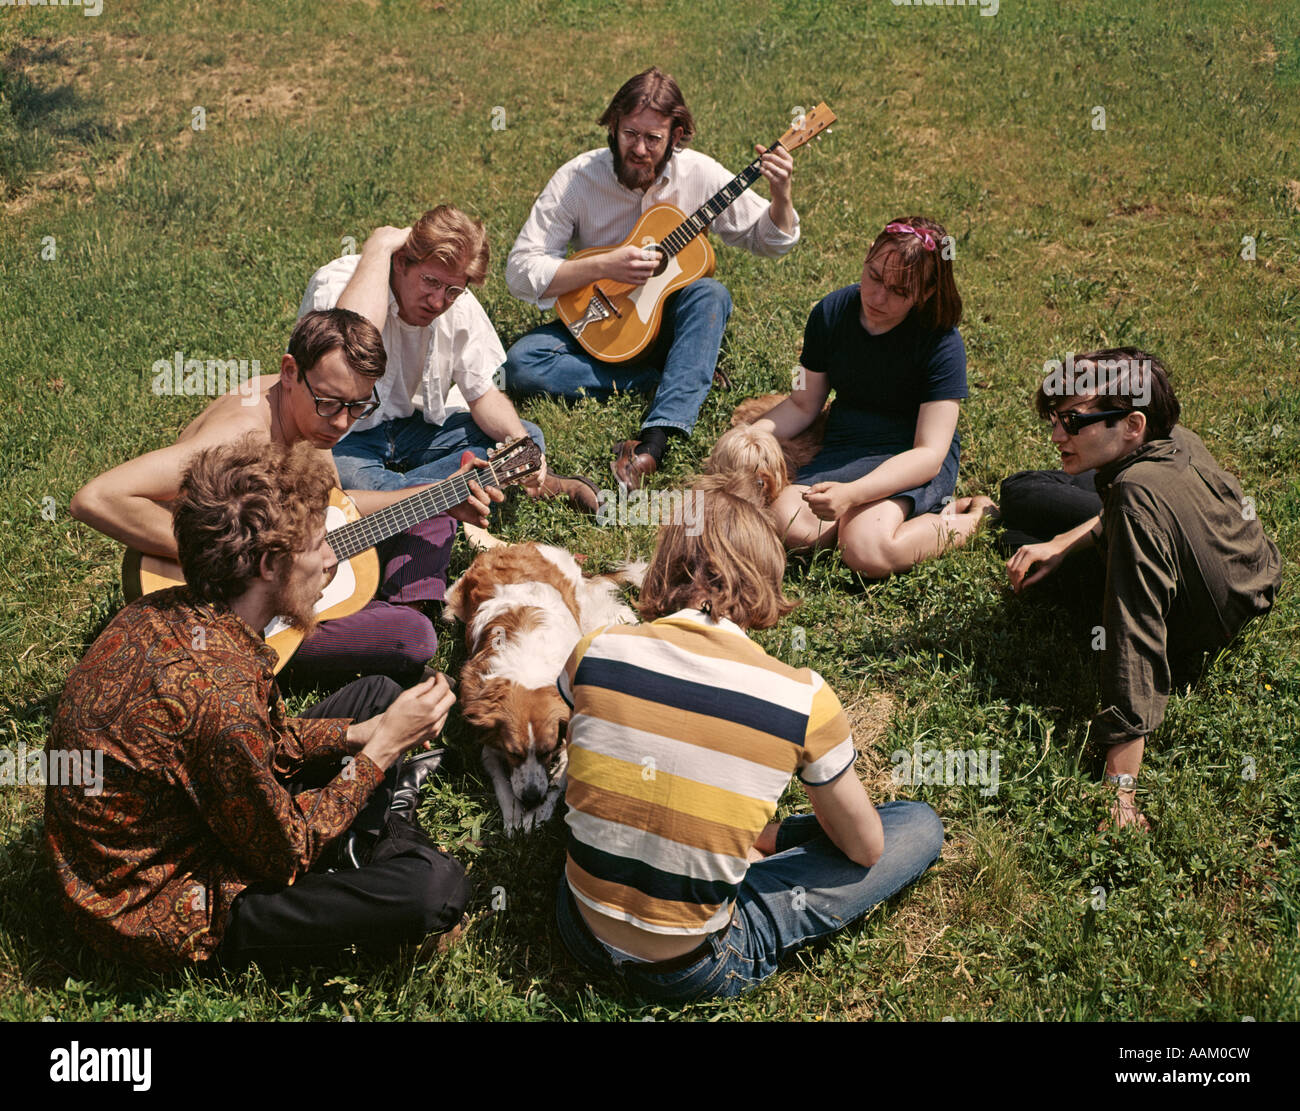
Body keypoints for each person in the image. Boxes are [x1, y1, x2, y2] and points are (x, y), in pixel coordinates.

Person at [46, 438, 469, 970]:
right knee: (436, 889)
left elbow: (262, 741)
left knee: (379, 696)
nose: (330, 560)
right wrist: (380, 752)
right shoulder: (217, 698)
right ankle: (379, 842)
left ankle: (373, 839)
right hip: (164, 901)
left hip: (196, 813)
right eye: (318, 545)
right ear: (270, 564)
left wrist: (360, 734)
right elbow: (284, 854)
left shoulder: (170, 611)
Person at [554, 483, 944, 1001]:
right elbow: (866, 848)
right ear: (766, 578)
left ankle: (746, 837)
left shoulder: (595, 649)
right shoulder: (801, 696)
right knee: (913, 825)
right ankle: (757, 840)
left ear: (666, 563)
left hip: (577, 927)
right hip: (693, 967)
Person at [70, 309, 500, 685]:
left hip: (297, 569)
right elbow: (96, 497)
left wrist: (435, 496)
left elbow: (337, 507)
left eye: (358, 406)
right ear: (290, 371)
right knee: (413, 637)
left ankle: (372, 609)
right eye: (330, 403)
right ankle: (391, 626)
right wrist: (248, 559)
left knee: (432, 513)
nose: (341, 423)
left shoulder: (310, 415)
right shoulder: (241, 439)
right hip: (232, 611)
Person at [1004, 349, 1282, 831]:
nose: (1056, 435)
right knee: (1024, 496)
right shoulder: (1174, 438)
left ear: (1132, 425)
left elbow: (1134, 637)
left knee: (1017, 538)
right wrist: (1065, 543)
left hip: (1201, 615)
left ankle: (993, 522)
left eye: (1072, 421)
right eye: (1056, 418)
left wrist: (1121, 793)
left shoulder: (1135, 504)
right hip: (1249, 582)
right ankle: (1027, 524)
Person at [504, 65, 800, 490]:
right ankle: (672, 376)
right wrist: (604, 266)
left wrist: (781, 196)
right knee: (522, 365)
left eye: (653, 139)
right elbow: (520, 271)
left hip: (667, 323)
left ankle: (656, 438)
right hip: (601, 320)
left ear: (675, 137)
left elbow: (770, 241)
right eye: (629, 134)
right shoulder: (577, 179)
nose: (639, 149)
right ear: (614, 127)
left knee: (710, 295)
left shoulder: (698, 174)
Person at [301, 206, 599, 512]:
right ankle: (435, 498)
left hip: (411, 429)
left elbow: (482, 394)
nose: (438, 301)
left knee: (523, 439)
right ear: (401, 261)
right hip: (341, 438)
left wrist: (521, 443)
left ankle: (413, 503)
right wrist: (378, 247)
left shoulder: (458, 304)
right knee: (350, 483)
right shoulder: (340, 282)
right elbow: (349, 344)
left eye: (453, 290)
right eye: (430, 281)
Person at [751, 216, 996, 576]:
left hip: (910, 457)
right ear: (867, 256)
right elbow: (804, 403)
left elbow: (929, 453)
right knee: (789, 524)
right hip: (848, 442)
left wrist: (854, 494)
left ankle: (974, 517)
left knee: (866, 550)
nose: (878, 298)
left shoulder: (942, 341)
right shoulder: (831, 312)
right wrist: (750, 437)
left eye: (900, 292)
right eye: (875, 276)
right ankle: (858, 518)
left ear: (926, 293)